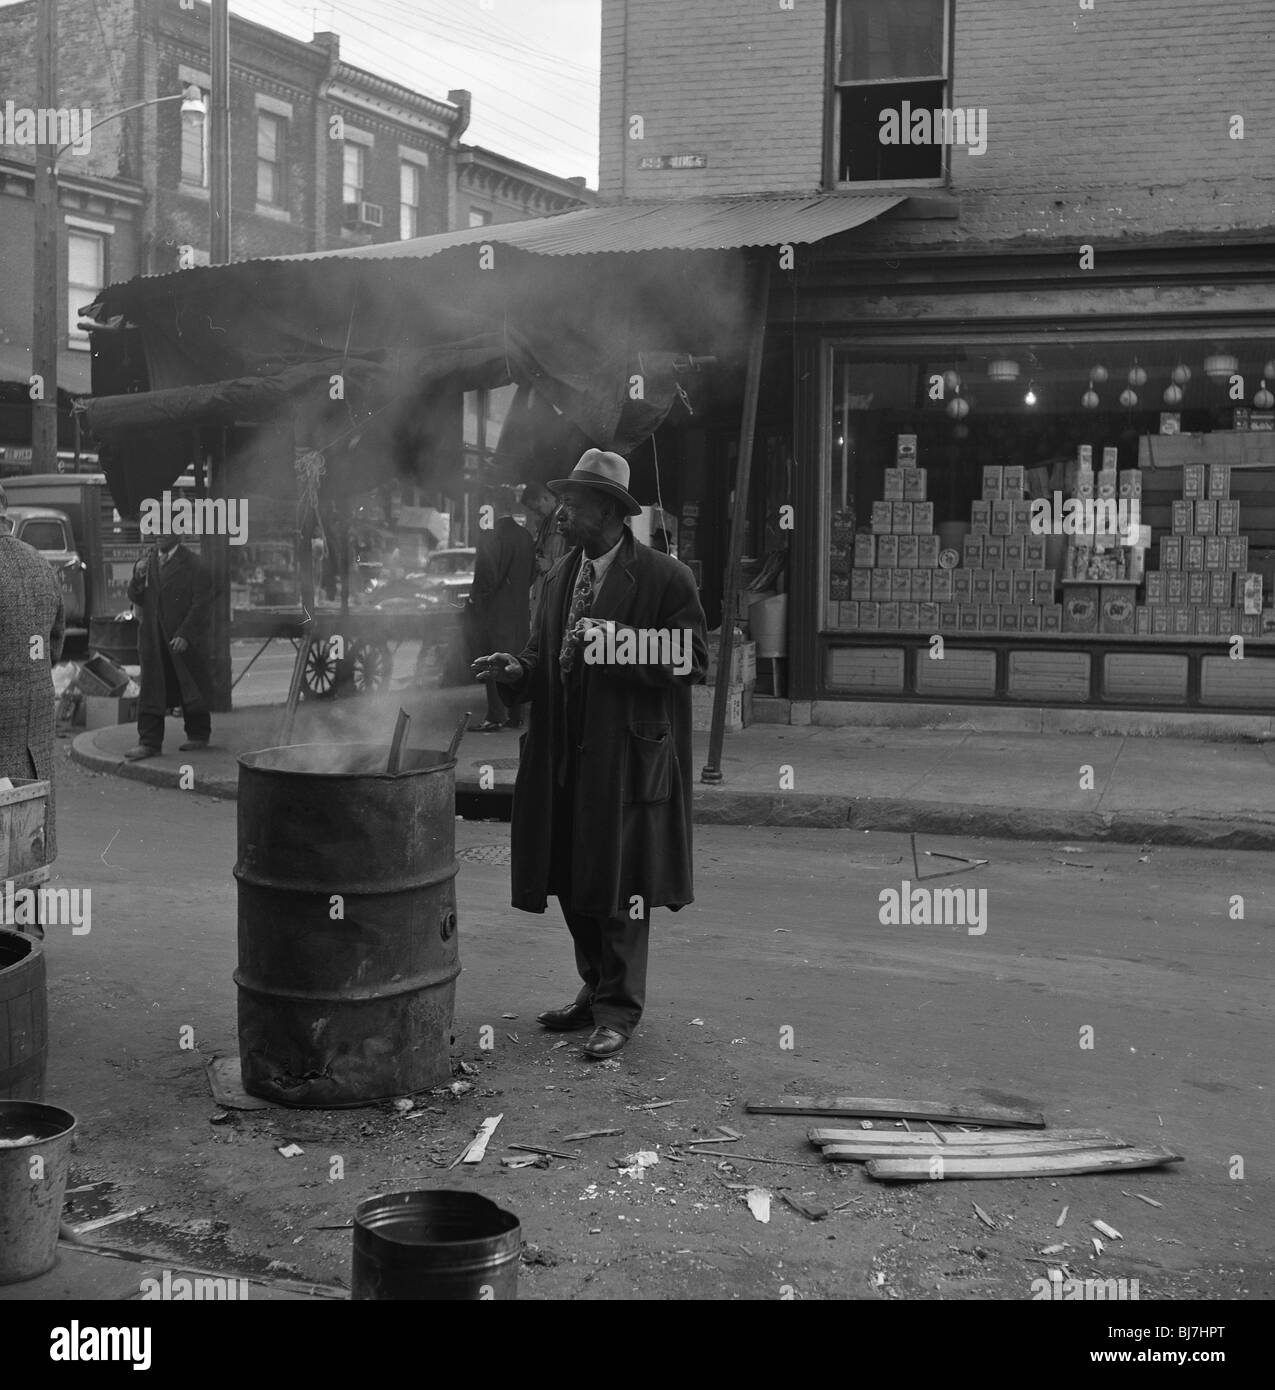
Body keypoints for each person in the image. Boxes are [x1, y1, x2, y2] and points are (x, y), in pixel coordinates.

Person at [473, 449, 707, 1060]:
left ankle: (619, 1011)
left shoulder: (664, 578)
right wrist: (514, 671)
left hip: (625, 759)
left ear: (606, 510)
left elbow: (691, 659)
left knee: (621, 882)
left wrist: (621, 642)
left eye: (571, 506)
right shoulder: (557, 578)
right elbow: (538, 655)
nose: (560, 515)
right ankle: (594, 987)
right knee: (574, 876)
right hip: (562, 753)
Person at [0, 484, 65, 936]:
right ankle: (29, 924)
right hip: (36, 711)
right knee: (27, 815)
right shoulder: (41, 564)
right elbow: (55, 642)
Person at [124, 534, 215, 760]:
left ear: (179, 534)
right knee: (151, 688)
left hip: (180, 637)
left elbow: (202, 603)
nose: (160, 534)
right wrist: (137, 578)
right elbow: (135, 596)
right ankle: (149, 742)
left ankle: (198, 734)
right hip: (153, 637)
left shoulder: (195, 564)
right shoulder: (147, 562)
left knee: (190, 684)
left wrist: (186, 633)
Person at [467, 493, 536, 732]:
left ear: (493, 508)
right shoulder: (526, 537)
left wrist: (478, 601)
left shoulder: (491, 536)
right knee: (516, 661)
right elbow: (532, 574)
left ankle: (495, 717)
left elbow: (486, 577)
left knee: (494, 663)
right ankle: (515, 716)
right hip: (519, 613)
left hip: (496, 612)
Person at [522, 481, 566, 620]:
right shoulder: (547, 521)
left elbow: (575, 556)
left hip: (556, 590)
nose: (537, 514)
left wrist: (552, 565)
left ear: (545, 498)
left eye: (538, 508)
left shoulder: (564, 518)